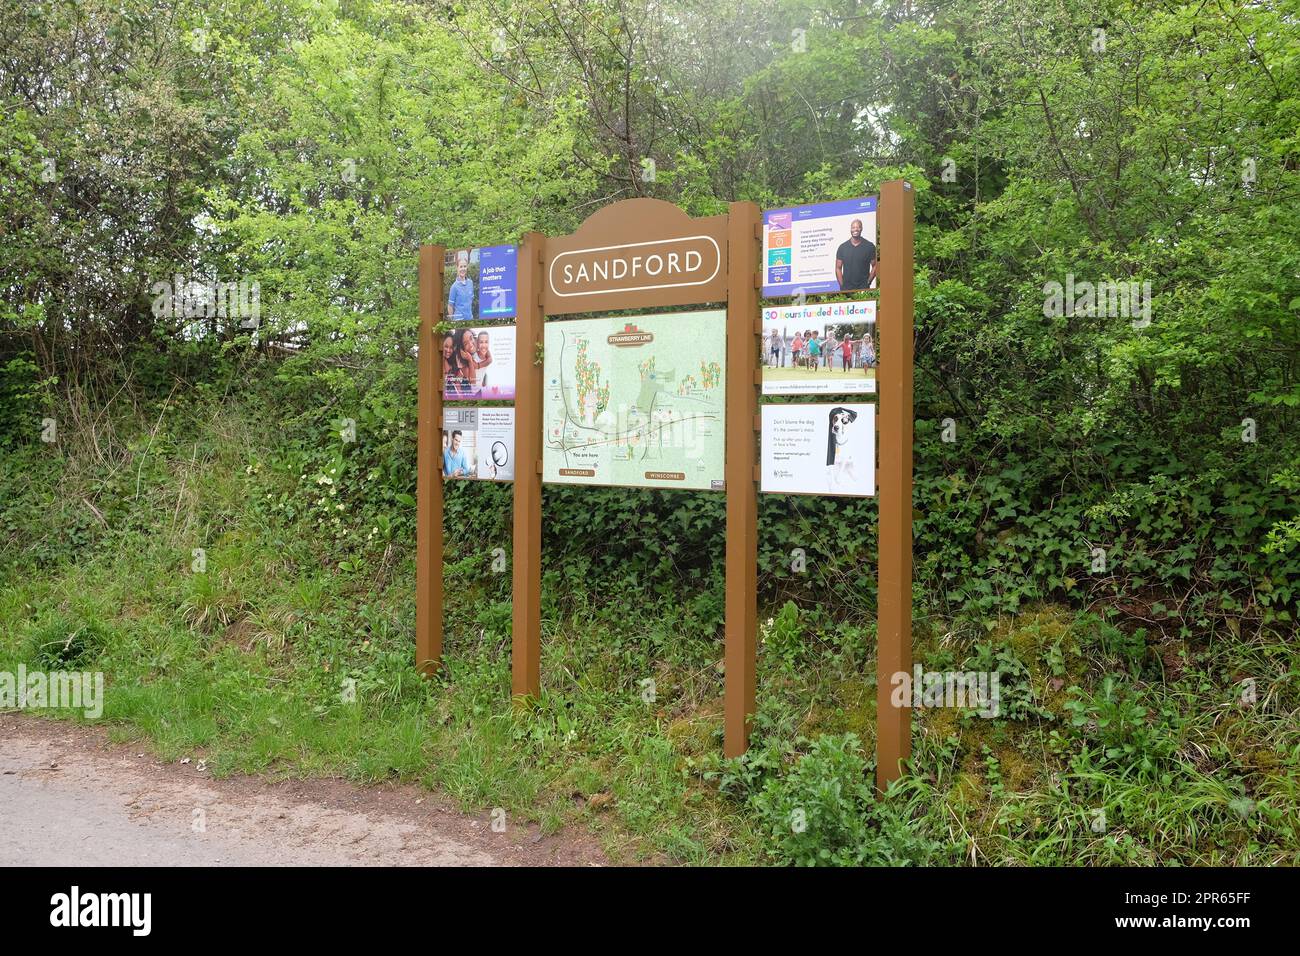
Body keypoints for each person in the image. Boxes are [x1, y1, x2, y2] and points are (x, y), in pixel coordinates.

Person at [835, 219, 877, 291]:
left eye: (858, 227)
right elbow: (838, 268)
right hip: (847, 290)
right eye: (853, 227)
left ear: (861, 229)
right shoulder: (842, 247)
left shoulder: (869, 246)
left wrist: (868, 282)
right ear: (850, 229)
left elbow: (875, 266)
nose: (855, 229)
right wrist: (842, 286)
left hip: (863, 289)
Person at [447, 255, 475, 321]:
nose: (463, 269)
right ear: (457, 268)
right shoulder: (454, 287)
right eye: (461, 267)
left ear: (467, 267)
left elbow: (471, 299)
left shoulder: (470, 283)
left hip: (470, 319)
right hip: (459, 320)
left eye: (465, 266)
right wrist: (452, 321)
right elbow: (450, 306)